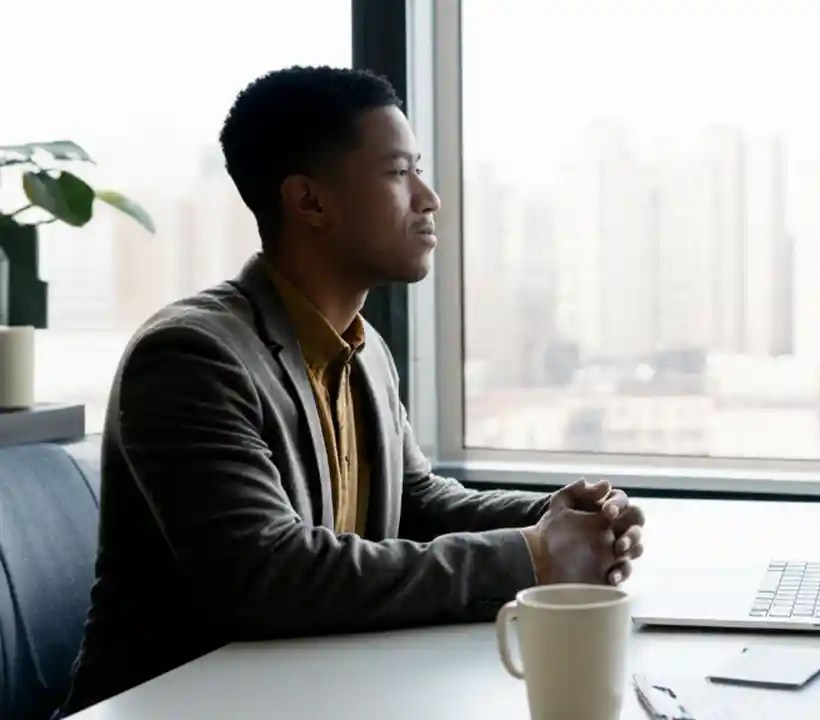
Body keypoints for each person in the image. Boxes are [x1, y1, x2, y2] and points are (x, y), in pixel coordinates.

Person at [59, 65, 646, 715]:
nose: (429, 197)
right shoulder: (190, 357)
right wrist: (533, 553)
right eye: (398, 173)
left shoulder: (362, 351)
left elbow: (415, 504)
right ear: (310, 202)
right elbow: (269, 574)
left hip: (307, 693)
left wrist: (556, 516)